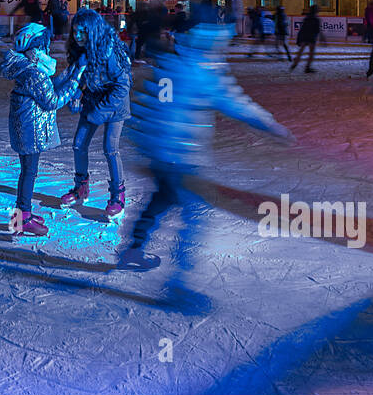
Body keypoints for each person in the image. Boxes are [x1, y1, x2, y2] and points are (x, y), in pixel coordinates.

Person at [120, 23, 292, 311]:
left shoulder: (170, 64)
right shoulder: (202, 71)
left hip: (158, 151)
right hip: (181, 155)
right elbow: (235, 103)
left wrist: (142, 140)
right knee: (196, 213)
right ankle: (178, 283)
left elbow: (147, 103)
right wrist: (269, 124)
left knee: (161, 199)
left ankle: (133, 249)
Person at [1, 23, 85, 236]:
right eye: (45, 45)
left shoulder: (28, 67)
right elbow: (52, 100)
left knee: (27, 172)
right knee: (29, 173)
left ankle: (22, 216)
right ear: (37, 47)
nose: (48, 49)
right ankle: (22, 219)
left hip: (25, 127)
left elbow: (49, 84)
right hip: (30, 130)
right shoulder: (33, 72)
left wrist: (71, 71)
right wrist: (75, 79)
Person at [60, 8, 131, 219]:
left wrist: (100, 113)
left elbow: (122, 86)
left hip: (115, 104)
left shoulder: (109, 51)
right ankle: (81, 187)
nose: (78, 36)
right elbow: (81, 78)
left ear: (93, 31)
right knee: (78, 144)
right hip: (93, 100)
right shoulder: (82, 51)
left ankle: (118, 195)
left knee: (110, 148)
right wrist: (77, 97)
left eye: (83, 32)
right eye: (75, 32)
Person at [289, 4, 321, 73]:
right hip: (311, 37)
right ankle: (307, 67)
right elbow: (317, 30)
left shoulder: (307, 17)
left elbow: (302, 28)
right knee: (311, 52)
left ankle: (295, 64)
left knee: (301, 51)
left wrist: (299, 38)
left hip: (304, 36)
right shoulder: (316, 19)